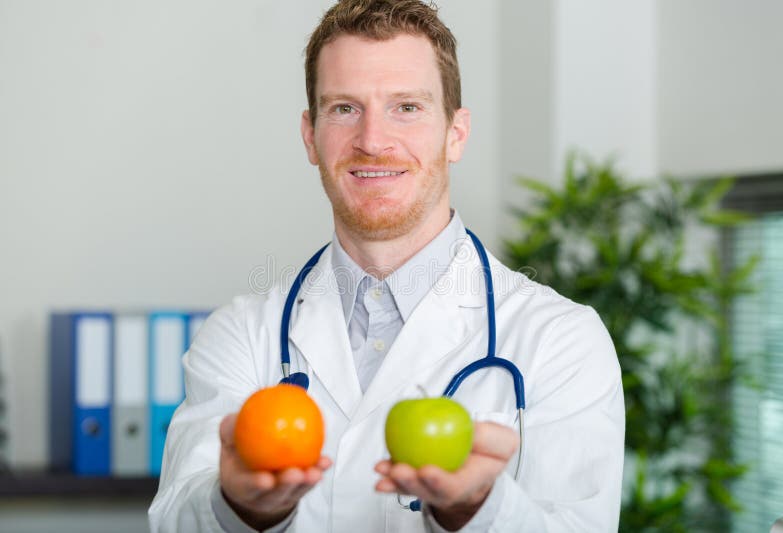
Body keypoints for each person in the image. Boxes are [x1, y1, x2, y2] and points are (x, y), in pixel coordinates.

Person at [148, 1, 625, 531]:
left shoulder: (561, 341)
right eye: (344, 108)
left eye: (407, 107)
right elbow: (174, 521)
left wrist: (477, 511)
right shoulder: (240, 334)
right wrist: (242, 507)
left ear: (456, 133)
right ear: (311, 135)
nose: (372, 141)